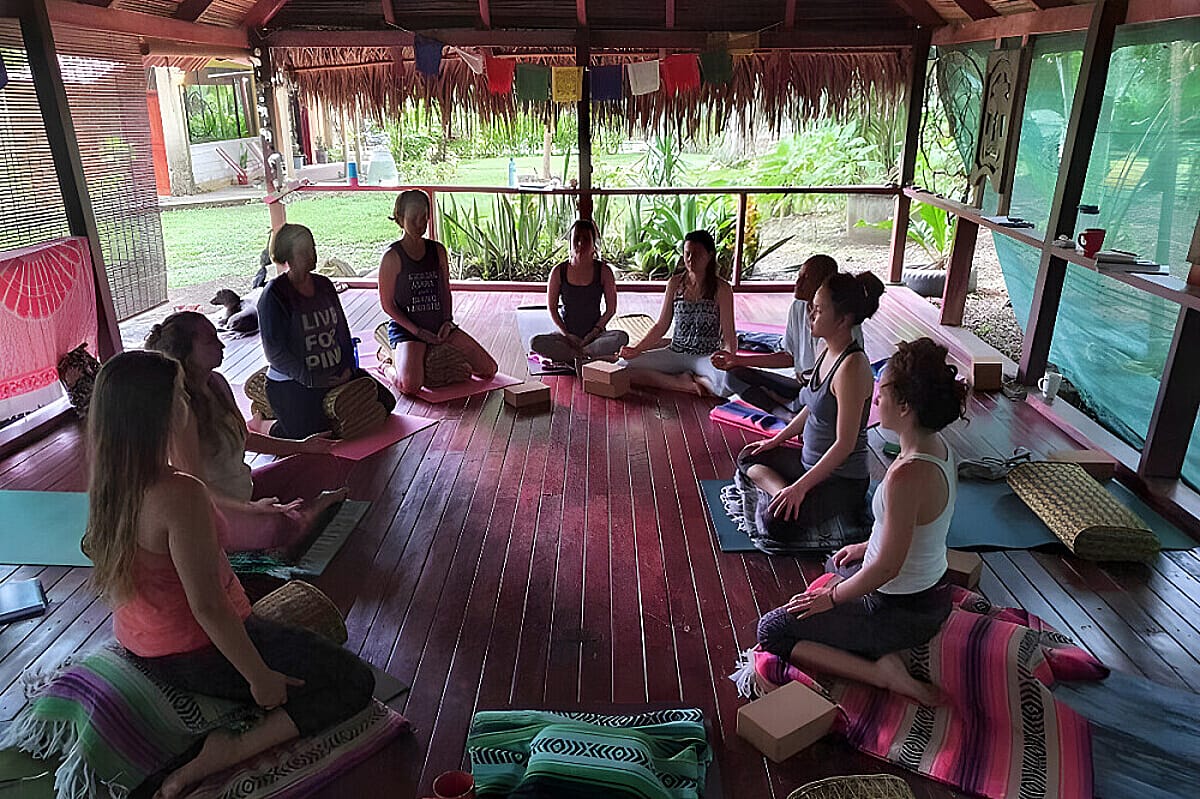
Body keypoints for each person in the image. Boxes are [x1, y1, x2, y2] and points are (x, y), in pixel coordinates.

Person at [83, 350, 374, 798]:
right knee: (353, 680)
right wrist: (259, 676)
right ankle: (227, 749)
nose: (188, 402)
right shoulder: (178, 495)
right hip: (191, 649)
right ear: (162, 413)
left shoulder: (111, 482)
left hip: (140, 639)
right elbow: (208, 607)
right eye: (180, 395)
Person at [756, 337, 968, 705]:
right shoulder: (937, 448)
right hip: (928, 593)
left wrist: (832, 598)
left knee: (772, 630)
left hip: (901, 613)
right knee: (836, 562)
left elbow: (887, 568)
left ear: (905, 406)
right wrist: (864, 546)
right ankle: (861, 625)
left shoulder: (908, 475)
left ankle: (884, 674)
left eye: (882, 390)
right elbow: (914, 529)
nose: (876, 396)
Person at [146, 311, 349, 553]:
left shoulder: (217, 383)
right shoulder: (179, 408)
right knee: (275, 527)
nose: (221, 345)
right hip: (212, 510)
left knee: (321, 462)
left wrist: (303, 446)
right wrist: (251, 509)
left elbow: (246, 438)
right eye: (210, 340)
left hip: (244, 490)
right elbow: (195, 485)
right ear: (186, 352)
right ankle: (299, 520)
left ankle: (293, 522)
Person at [736, 271, 885, 553]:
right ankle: (781, 492)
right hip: (808, 462)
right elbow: (811, 408)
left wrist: (801, 487)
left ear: (842, 320)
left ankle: (790, 496)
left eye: (818, 309)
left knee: (776, 525)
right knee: (749, 455)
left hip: (842, 480)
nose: (810, 315)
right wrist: (775, 441)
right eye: (812, 308)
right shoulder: (823, 349)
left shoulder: (852, 368)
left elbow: (845, 444)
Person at [258, 223, 395, 440]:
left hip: (334, 373)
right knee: (315, 434)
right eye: (304, 251)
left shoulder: (324, 285)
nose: (311, 255)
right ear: (287, 256)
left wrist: (348, 368)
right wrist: (312, 379)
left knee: (386, 403)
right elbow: (275, 353)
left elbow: (342, 331)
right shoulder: (274, 294)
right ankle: (263, 423)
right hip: (295, 381)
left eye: (312, 248)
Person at [378, 189, 497, 394]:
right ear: (400, 218)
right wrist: (417, 331)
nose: (420, 223)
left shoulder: (437, 250)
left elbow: (445, 290)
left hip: (438, 324)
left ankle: (426, 355)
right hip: (409, 329)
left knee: (489, 369)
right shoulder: (392, 256)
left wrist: (447, 322)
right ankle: (386, 362)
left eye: (424, 217)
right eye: (413, 218)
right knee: (410, 385)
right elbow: (387, 305)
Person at [714, 254, 861, 415]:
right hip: (802, 388)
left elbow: (841, 377)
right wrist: (737, 360)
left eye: (806, 279)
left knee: (817, 400)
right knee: (733, 376)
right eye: (799, 276)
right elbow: (789, 356)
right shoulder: (798, 307)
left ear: (824, 283)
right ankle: (787, 415)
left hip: (827, 394)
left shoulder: (841, 321)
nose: (798, 283)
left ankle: (795, 409)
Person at [618, 230, 737, 396]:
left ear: (710, 256)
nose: (690, 259)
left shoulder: (722, 289)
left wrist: (729, 358)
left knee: (726, 386)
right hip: (675, 352)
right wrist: (637, 349)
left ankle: (694, 379)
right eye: (687, 253)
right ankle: (683, 384)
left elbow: (729, 335)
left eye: (697, 254)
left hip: (706, 356)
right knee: (622, 367)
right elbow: (661, 326)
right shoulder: (675, 284)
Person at [529, 219, 629, 366]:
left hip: (595, 337)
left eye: (586, 239)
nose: (581, 243)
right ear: (570, 243)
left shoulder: (604, 271)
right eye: (576, 239)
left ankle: (579, 355)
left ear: (594, 244)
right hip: (567, 338)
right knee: (535, 342)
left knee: (621, 337)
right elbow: (552, 308)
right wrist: (567, 335)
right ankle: (584, 356)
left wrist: (593, 333)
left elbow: (611, 309)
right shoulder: (558, 272)